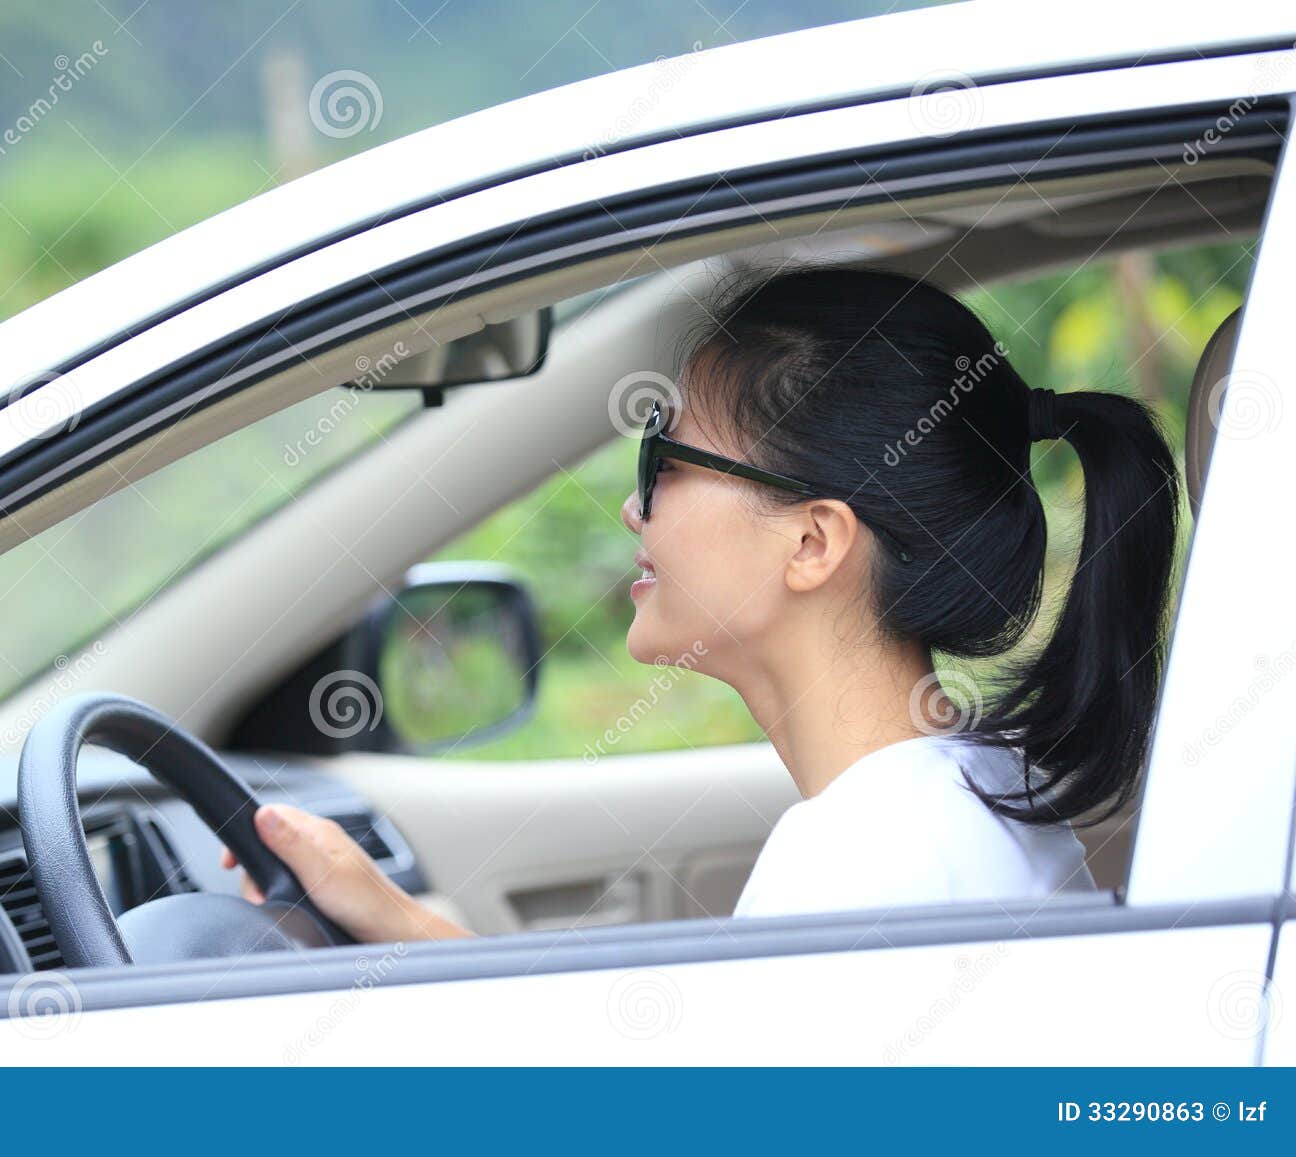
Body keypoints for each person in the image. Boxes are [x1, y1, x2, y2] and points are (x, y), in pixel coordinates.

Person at [222, 266, 1180, 937]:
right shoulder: (959, 801)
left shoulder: (860, 870)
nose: (636, 508)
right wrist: (398, 922)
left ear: (812, 542)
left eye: (665, 461)